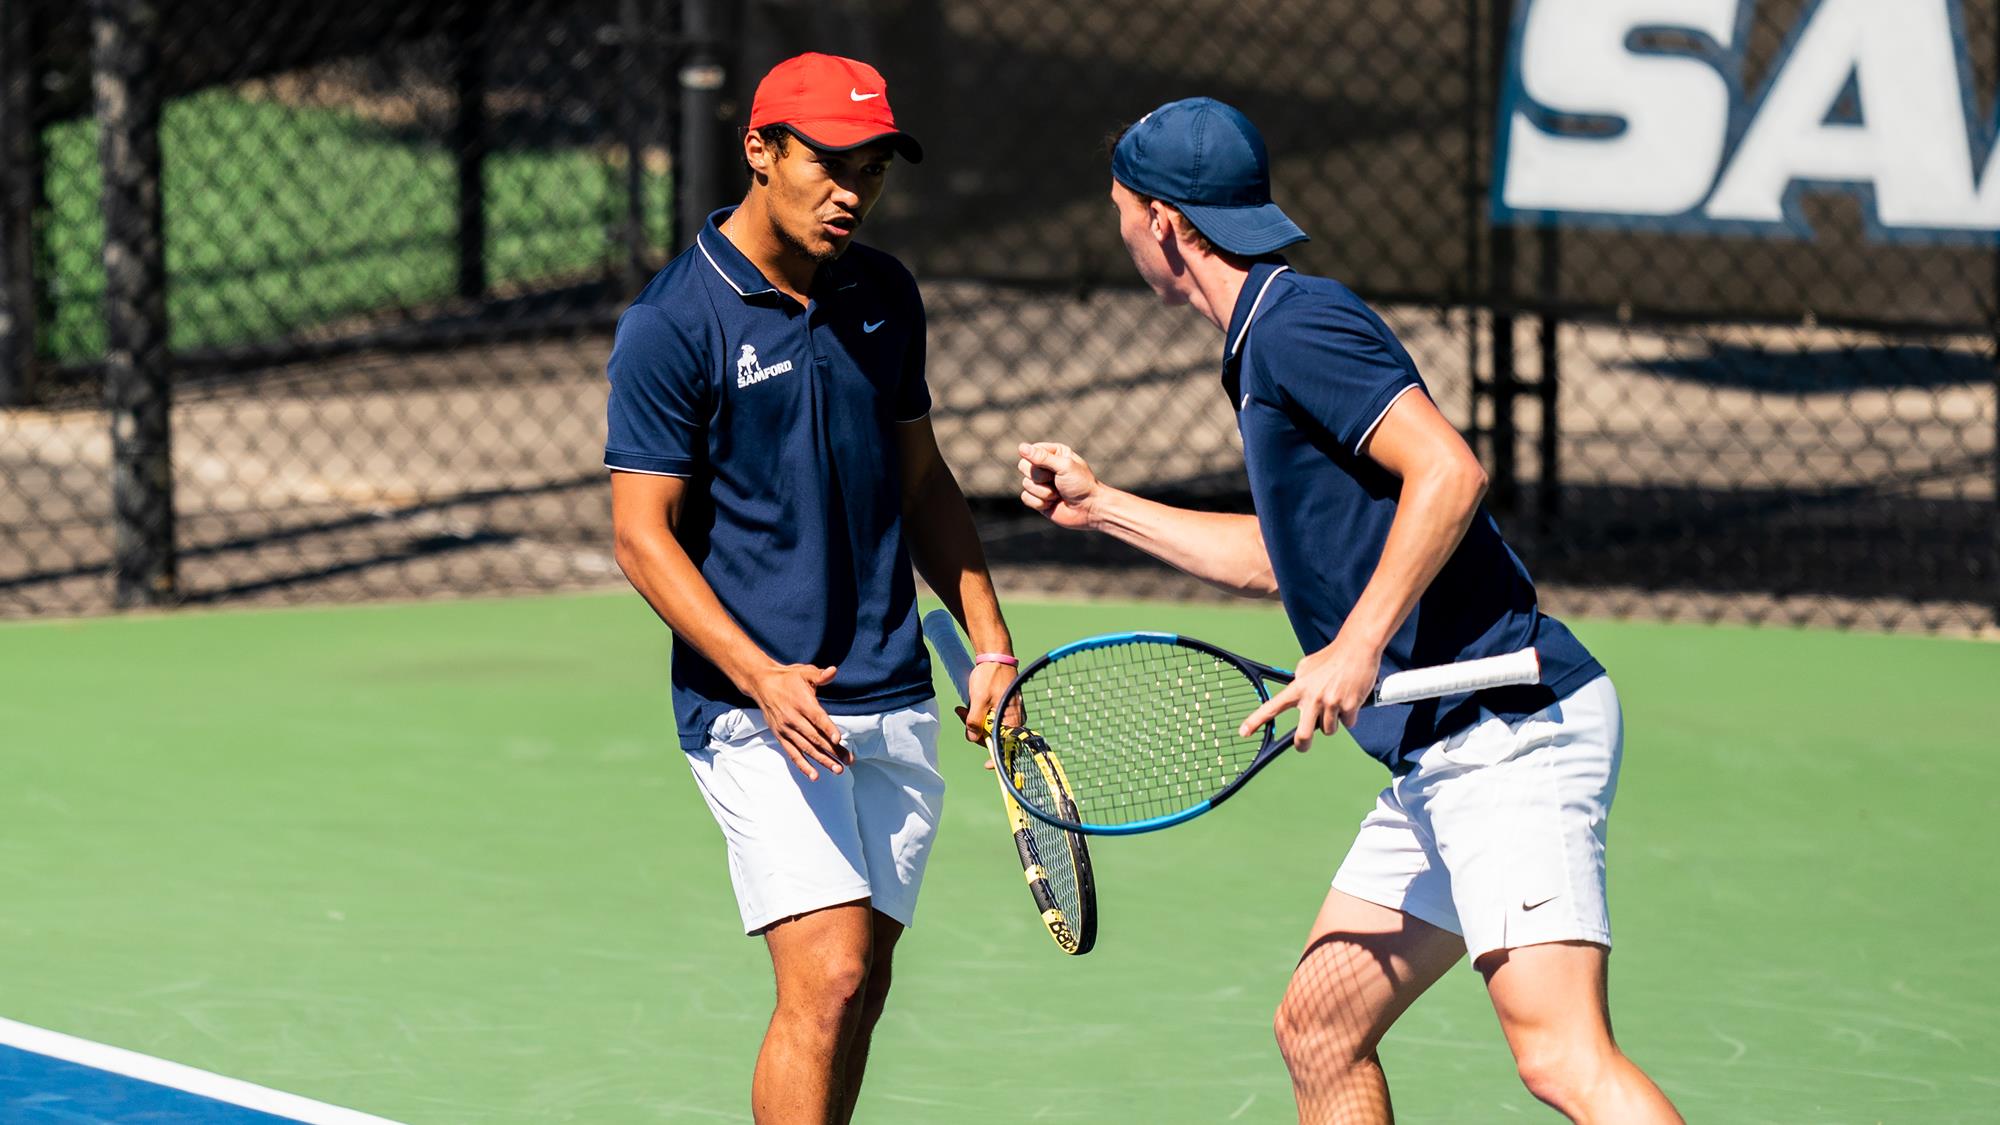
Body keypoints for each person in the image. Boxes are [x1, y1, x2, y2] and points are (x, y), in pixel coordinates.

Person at [1018, 97, 1681, 1123]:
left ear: (1163, 221)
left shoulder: (1295, 325)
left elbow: (1449, 472)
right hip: (1434, 751)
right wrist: (1102, 507)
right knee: (1318, 1031)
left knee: (1561, 1058)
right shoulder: (1258, 344)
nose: (1118, 232)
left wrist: (1357, 644)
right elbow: (1280, 558)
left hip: (1506, 734)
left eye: (1118, 210)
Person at [604, 52, 1015, 1125]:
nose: (851, 192)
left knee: (861, 991)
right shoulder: (672, 322)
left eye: (871, 170)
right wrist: (759, 677)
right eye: (829, 164)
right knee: (827, 976)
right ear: (760, 150)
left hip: (893, 689)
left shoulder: (884, 294)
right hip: (758, 707)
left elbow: (923, 483)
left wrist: (990, 643)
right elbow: (641, 537)